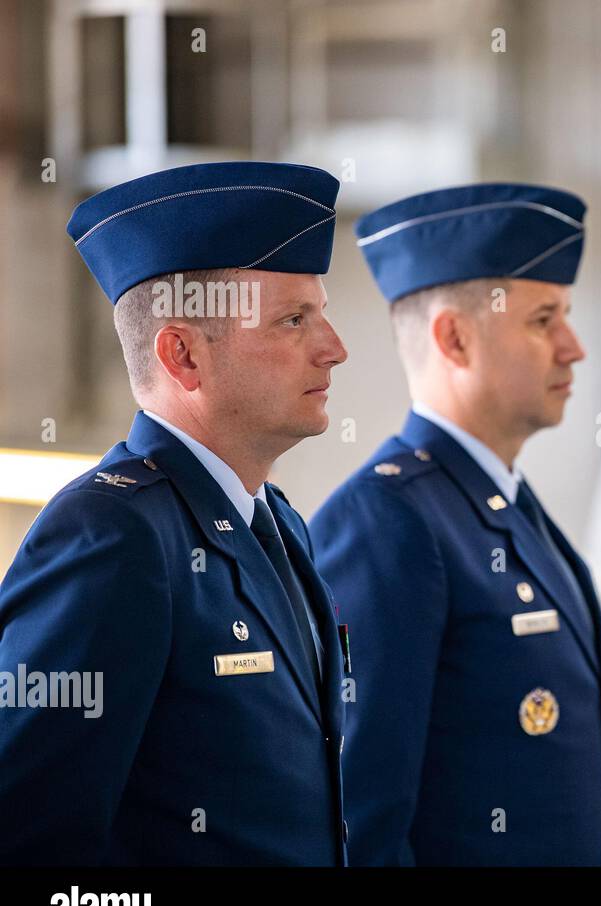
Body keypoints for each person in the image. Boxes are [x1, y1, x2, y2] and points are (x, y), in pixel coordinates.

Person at [0, 162, 351, 864]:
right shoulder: (112, 534)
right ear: (184, 354)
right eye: (293, 320)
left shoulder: (277, 524)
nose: (334, 348)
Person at [311, 183, 601, 865]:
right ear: (453, 337)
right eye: (544, 320)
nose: (573, 347)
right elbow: (361, 818)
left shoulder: (513, 510)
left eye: (565, 316)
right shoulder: (389, 522)